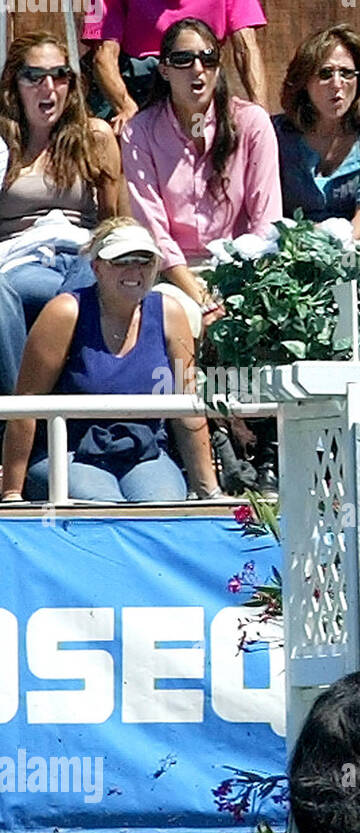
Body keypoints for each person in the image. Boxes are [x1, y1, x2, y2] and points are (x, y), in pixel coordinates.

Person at [0, 219, 220, 503]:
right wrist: (12, 493)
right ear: (96, 268)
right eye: (121, 261)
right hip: (69, 451)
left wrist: (210, 492)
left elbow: (188, 408)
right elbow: (26, 406)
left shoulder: (170, 313)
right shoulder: (65, 312)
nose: (134, 270)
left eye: (144, 260)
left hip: (144, 452)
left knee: (162, 510)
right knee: (104, 508)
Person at [120, 17, 282, 338]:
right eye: (183, 59)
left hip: (241, 270)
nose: (198, 69)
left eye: (208, 59)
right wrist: (204, 300)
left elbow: (266, 223)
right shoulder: (139, 132)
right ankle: (184, 388)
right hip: (172, 274)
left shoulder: (252, 123)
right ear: (164, 70)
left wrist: (238, 291)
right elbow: (155, 233)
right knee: (174, 317)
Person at [0, 33, 125, 396]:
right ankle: (22, 420)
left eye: (60, 75)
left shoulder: (94, 136)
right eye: (34, 76)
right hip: (19, 261)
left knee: (93, 278)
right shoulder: (3, 145)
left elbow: (113, 220)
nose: (49, 87)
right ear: (13, 85)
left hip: (82, 254)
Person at [274, 24, 360, 241]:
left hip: (354, 251)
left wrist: (334, 248)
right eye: (325, 74)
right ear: (304, 82)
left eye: (347, 73)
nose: (337, 84)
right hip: (289, 248)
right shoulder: (276, 133)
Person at [81, 0, 269, 134]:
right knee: (104, 136)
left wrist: (261, 114)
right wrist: (129, 110)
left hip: (198, 82)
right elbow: (103, 57)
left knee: (208, 136)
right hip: (134, 87)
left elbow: (246, 49)